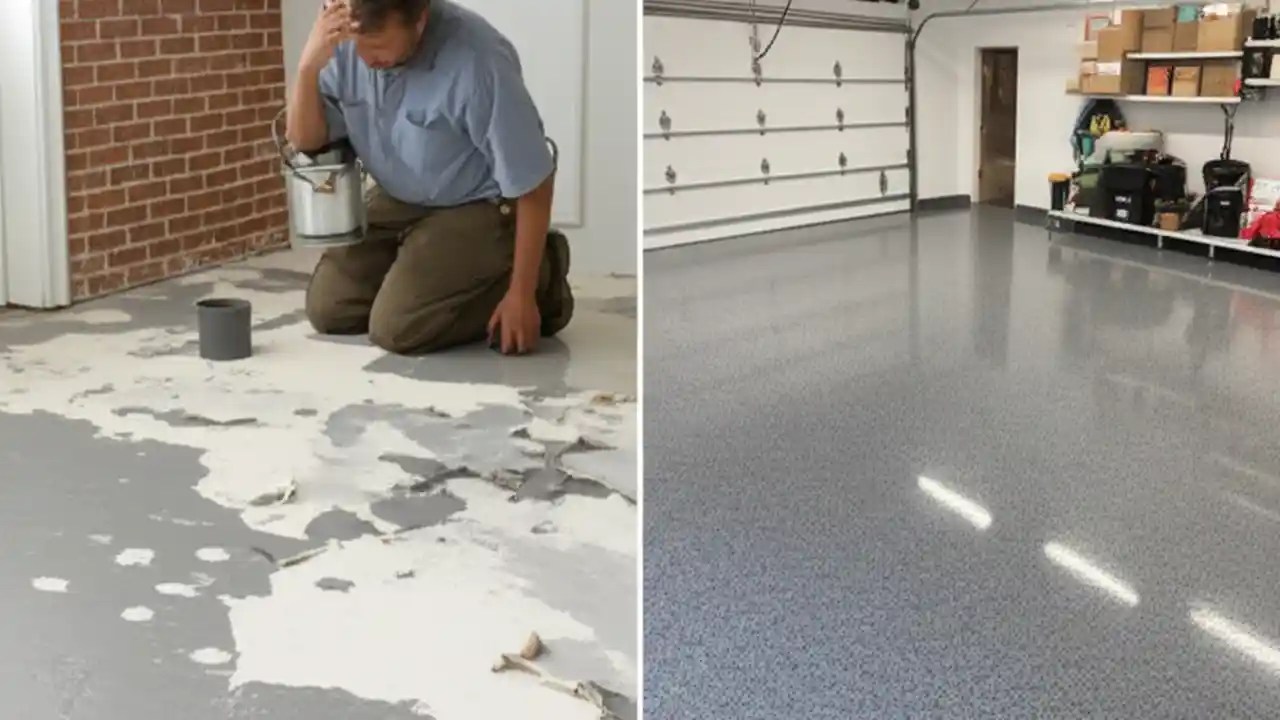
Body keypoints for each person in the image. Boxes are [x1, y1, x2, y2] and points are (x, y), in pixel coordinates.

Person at [288, 0, 573, 355]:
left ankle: (543, 273)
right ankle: (430, 272)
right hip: (399, 197)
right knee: (329, 309)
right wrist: (306, 69)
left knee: (396, 329)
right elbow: (305, 141)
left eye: (378, 47)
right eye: (357, 46)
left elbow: (534, 180)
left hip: (477, 204)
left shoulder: (479, 59)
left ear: (420, 21)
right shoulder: (343, 42)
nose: (365, 59)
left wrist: (522, 294)